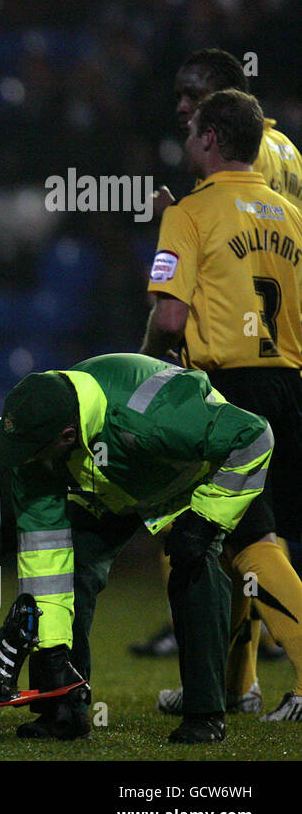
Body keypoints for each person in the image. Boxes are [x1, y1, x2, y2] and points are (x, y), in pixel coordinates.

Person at [0, 353, 274, 743]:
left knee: (195, 568)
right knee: (72, 572)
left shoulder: (156, 414)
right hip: (114, 489)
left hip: (190, 486)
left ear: (67, 437)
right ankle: (62, 708)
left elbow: (255, 435)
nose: (22, 461)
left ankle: (206, 713)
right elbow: (45, 565)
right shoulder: (36, 444)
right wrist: (51, 650)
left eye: (33, 451)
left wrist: (207, 520)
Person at [133, 47, 302, 660]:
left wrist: (175, 222)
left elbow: (179, 306)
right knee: (249, 530)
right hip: (286, 364)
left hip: (229, 372)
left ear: (219, 120)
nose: (182, 110)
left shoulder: (204, 201)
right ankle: (241, 678)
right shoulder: (288, 176)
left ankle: (221, 652)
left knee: (215, 526)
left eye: (193, 98)